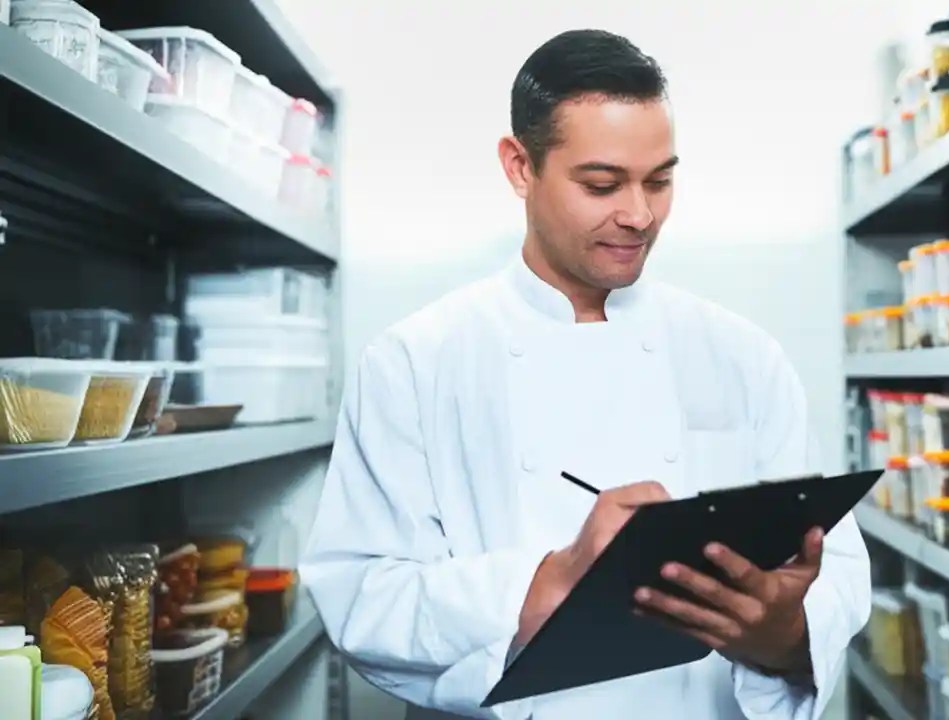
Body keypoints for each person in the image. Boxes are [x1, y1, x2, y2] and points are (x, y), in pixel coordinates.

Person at [301, 29, 871, 720]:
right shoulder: (415, 362)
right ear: (519, 167)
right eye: (602, 184)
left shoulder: (742, 356)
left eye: (660, 180)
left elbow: (836, 568)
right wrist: (553, 580)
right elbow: (363, 599)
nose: (639, 214)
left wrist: (785, 634)